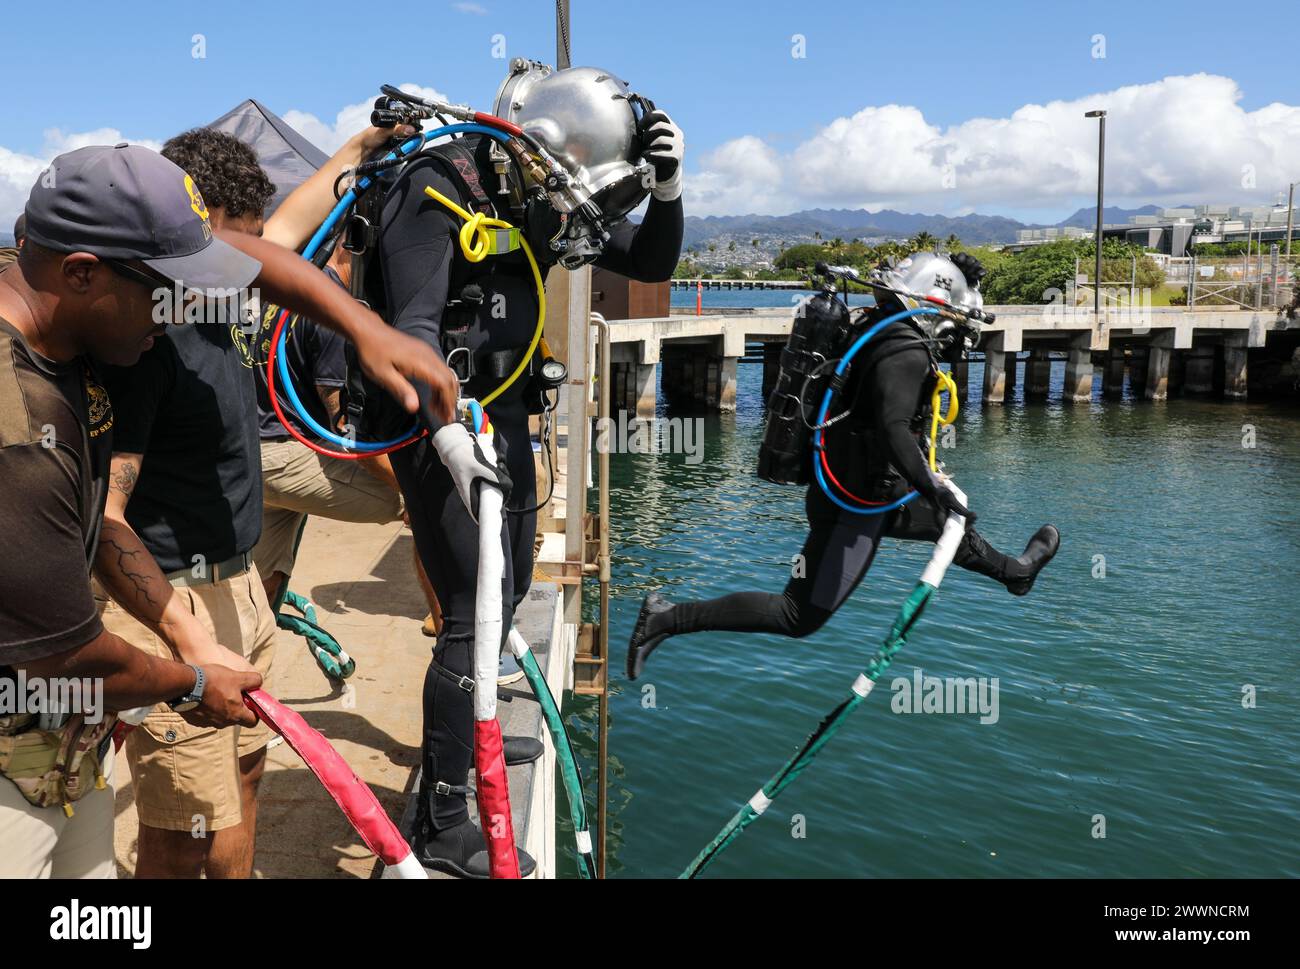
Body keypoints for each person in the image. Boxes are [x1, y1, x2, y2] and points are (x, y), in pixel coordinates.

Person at [93, 130, 457, 879]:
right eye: (239, 240)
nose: (254, 259)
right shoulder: (144, 339)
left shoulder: (218, 289)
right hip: (174, 604)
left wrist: (363, 145)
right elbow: (106, 517)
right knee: (186, 828)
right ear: (191, 222)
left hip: (241, 594)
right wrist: (183, 640)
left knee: (246, 772)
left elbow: (290, 227)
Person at [349, 61, 682, 877]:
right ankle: (444, 818)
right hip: (435, 424)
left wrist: (669, 192)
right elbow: (416, 330)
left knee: (508, 596)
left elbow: (648, 262)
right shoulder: (434, 182)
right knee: (467, 610)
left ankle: (470, 742)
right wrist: (449, 436)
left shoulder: (533, 194)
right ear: (543, 143)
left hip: (502, 416)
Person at [0, 145, 270, 878]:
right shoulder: (16, 424)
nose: (183, 310)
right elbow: (68, 656)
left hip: (65, 750)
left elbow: (99, 530)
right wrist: (190, 681)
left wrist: (185, 628)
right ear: (82, 272)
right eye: (168, 290)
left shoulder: (70, 345)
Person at [626, 251, 1060, 680]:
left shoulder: (878, 327)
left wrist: (966, 280)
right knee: (797, 615)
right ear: (933, 309)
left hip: (861, 485)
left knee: (947, 523)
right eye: (952, 324)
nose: (953, 337)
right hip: (855, 504)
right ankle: (667, 618)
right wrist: (929, 481)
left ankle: (1014, 574)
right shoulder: (906, 350)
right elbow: (892, 427)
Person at [251, 240, 442, 629]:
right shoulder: (332, 313)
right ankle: (450, 627)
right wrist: (406, 490)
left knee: (260, 587)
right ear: (352, 248)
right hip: (287, 459)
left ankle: (232, 663)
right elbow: (349, 438)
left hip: (250, 456)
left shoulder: (284, 292)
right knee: (432, 495)